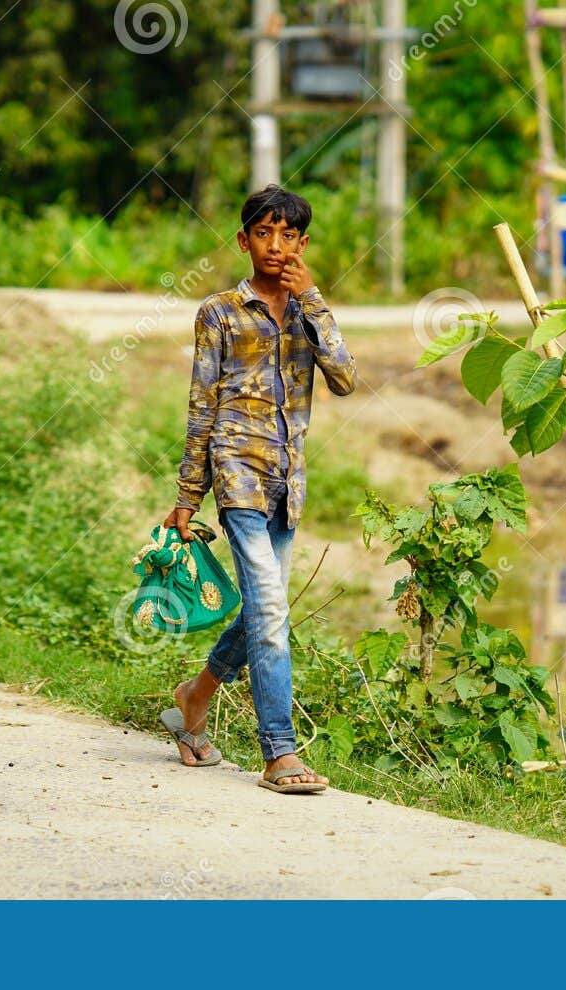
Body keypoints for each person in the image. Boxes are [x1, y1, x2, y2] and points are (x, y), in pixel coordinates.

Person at [160, 185, 357, 794]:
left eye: (289, 236)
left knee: (263, 611)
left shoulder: (307, 308)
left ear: (303, 244)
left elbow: (346, 380)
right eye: (264, 234)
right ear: (244, 240)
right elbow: (201, 406)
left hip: (288, 482)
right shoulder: (218, 312)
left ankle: (196, 694)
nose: (276, 247)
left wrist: (314, 301)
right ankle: (280, 755)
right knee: (271, 612)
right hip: (236, 475)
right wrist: (189, 495)